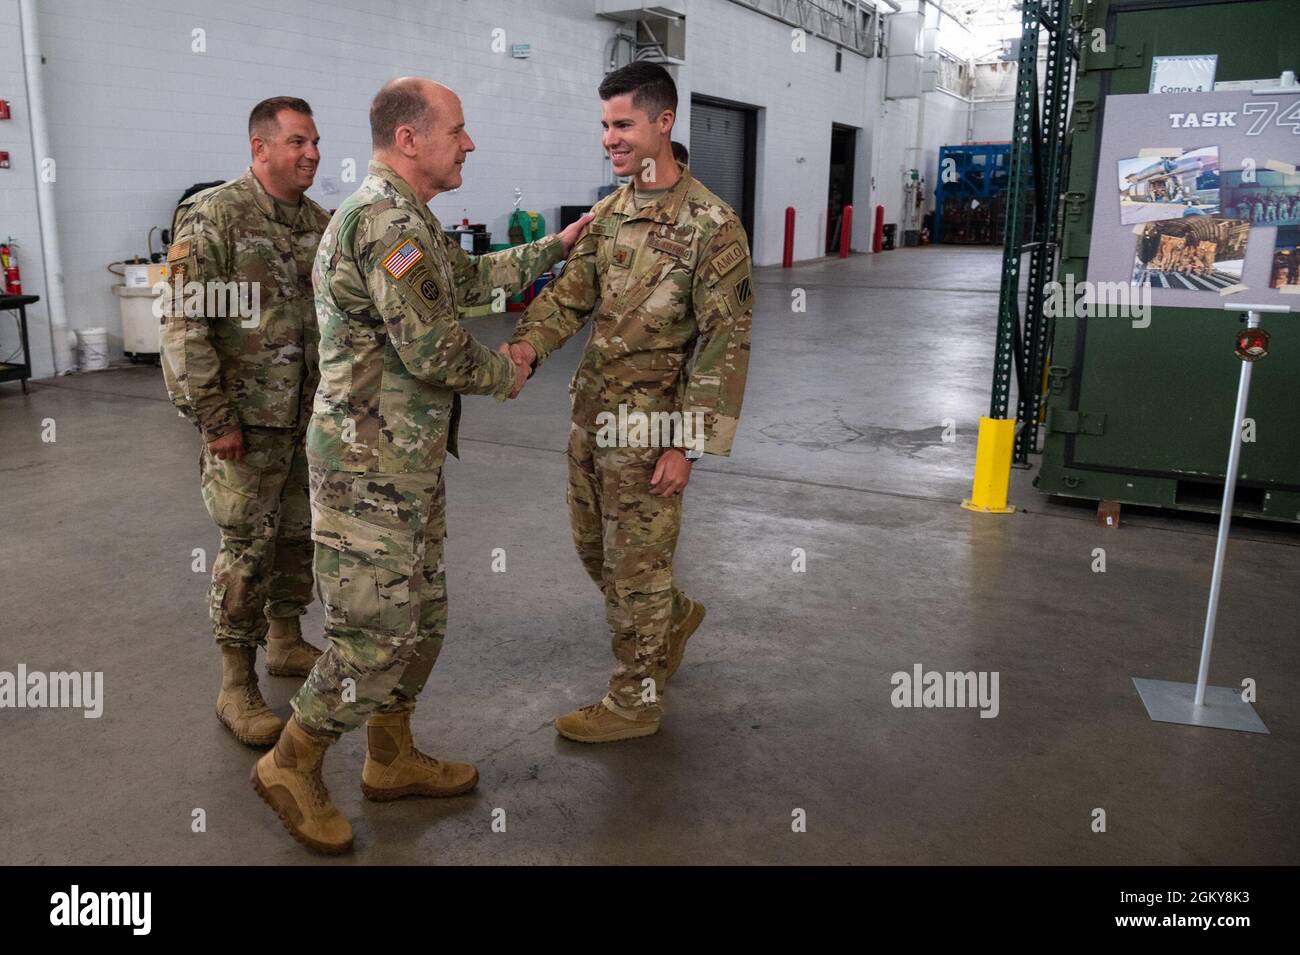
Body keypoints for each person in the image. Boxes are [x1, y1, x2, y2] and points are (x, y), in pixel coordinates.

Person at [251, 77, 592, 854]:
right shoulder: (382, 224)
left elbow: (466, 283)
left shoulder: (412, 223)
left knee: (423, 620)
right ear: (410, 139)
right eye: (458, 130)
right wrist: (510, 368)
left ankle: (390, 754)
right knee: (371, 638)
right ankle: (290, 762)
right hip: (366, 470)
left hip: (404, 465)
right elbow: (433, 346)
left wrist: (559, 245)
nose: (468, 143)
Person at [505, 62, 752, 744]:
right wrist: (525, 348)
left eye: (622, 125)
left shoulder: (712, 226)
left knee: (635, 569)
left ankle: (635, 699)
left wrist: (686, 441)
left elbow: (724, 344)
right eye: (605, 126)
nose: (609, 140)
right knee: (597, 553)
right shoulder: (612, 213)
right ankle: (670, 617)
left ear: (662, 123)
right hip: (591, 418)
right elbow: (568, 297)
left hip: (651, 433)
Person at [160, 97, 330, 747]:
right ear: (260, 148)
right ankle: (236, 682)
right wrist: (214, 417)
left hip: (304, 419)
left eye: (315, 141)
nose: (311, 153)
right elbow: (183, 326)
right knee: (246, 549)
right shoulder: (215, 217)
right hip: (244, 426)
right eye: (296, 142)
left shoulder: (318, 223)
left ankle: (286, 640)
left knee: (297, 537)